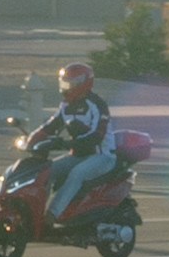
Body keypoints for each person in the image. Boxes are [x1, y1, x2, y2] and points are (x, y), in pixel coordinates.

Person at [21, 60, 119, 224]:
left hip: (102, 156)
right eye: (65, 83)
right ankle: (34, 212)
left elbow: (96, 136)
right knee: (45, 171)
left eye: (70, 83)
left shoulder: (97, 105)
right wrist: (32, 139)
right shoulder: (66, 105)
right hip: (78, 155)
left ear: (83, 83)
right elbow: (51, 126)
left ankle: (52, 215)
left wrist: (66, 144)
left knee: (77, 173)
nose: (66, 87)